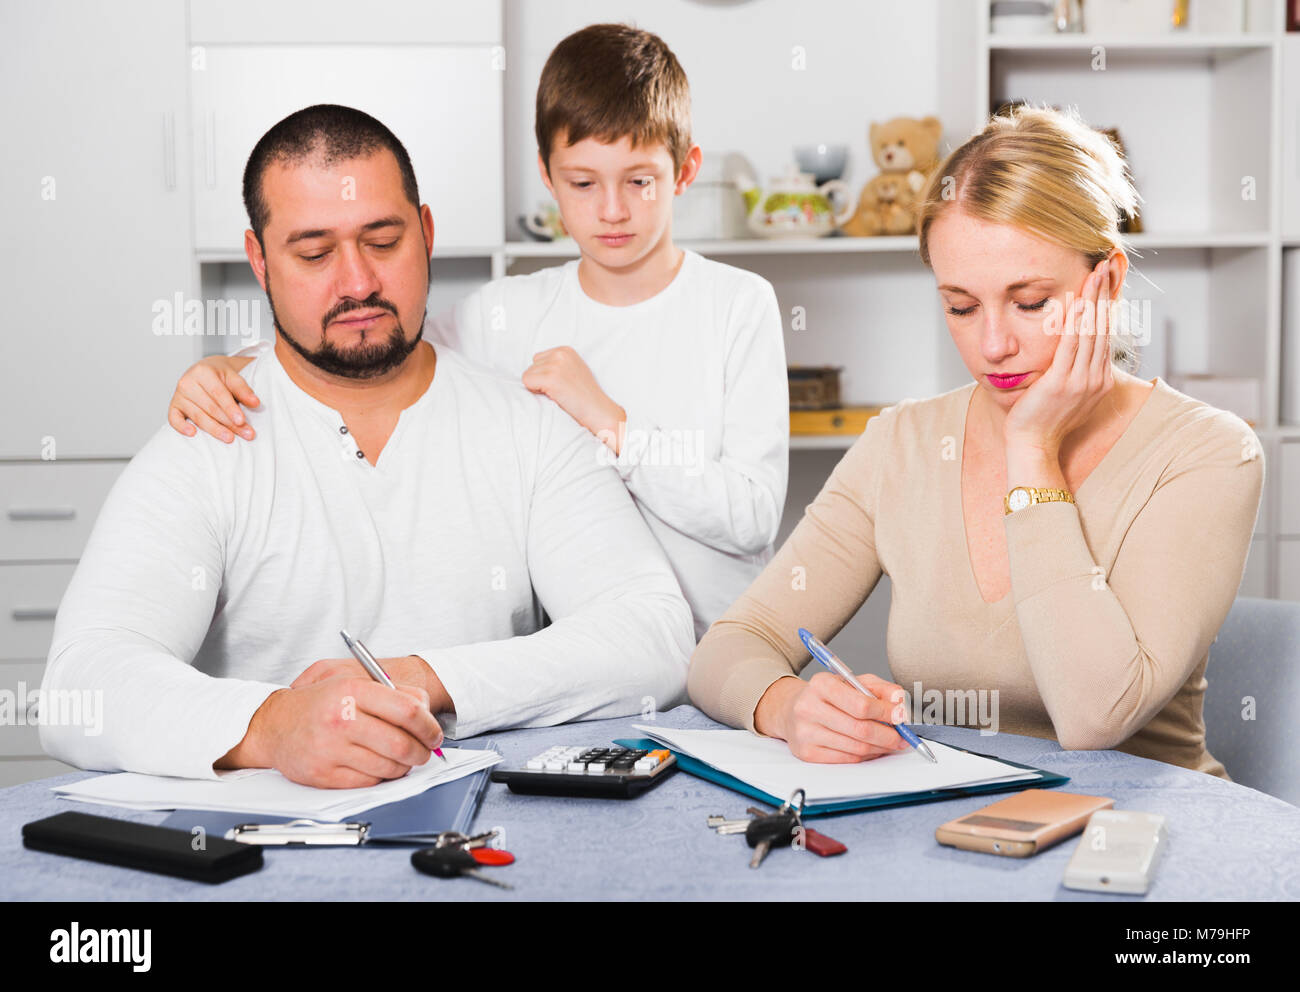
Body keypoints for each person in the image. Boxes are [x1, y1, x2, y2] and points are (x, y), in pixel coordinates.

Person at [41, 104, 694, 786]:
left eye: (383, 240)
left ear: (427, 233)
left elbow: (652, 636)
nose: (357, 283)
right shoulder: (207, 441)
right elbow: (80, 686)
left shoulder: (527, 427)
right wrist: (274, 725)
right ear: (260, 262)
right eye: (314, 252)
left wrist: (425, 679)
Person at [687, 104, 1263, 778]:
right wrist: (789, 707)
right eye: (960, 306)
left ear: (1105, 283)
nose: (993, 346)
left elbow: (1094, 716)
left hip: (1145, 846)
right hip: (957, 831)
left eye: (1030, 302)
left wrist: (1032, 450)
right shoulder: (902, 444)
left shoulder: (1207, 453)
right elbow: (730, 646)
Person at [162, 24, 789, 641]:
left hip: (726, 662)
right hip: (591, 670)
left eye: (639, 180)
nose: (612, 209)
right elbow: (369, 340)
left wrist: (609, 422)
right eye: (583, 182)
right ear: (547, 176)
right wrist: (233, 367)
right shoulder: (509, 312)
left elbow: (753, 517)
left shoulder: (737, 305)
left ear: (685, 171)